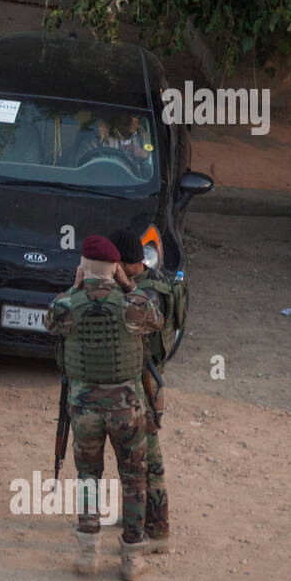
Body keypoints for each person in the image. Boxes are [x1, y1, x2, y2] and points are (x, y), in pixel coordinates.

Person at [43, 235, 164, 581]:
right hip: (126, 408)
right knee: (134, 479)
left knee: (88, 478)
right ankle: (131, 560)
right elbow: (154, 319)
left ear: (82, 267)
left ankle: (88, 553)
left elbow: (49, 323)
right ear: (115, 269)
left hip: (84, 410)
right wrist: (126, 286)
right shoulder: (132, 305)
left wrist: (73, 287)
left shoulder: (68, 304)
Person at [108, 228, 179, 554]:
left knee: (150, 459)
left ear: (125, 262)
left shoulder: (146, 295)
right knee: (132, 456)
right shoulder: (150, 282)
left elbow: (136, 336)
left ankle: (159, 531)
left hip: (145, 386)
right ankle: (135, 516)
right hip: (140, 384)